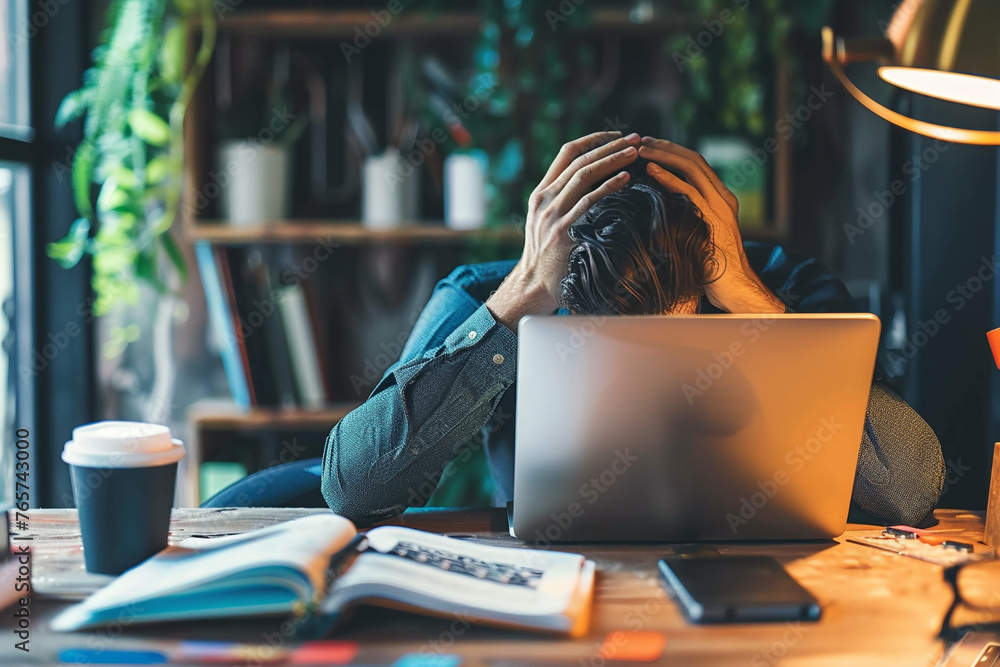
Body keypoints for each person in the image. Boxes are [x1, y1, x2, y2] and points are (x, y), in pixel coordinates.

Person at [321, 131, 945, 527]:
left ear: (705, 277)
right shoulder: (492, 297)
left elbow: (909, 489)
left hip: (751, 576)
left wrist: (759, 308)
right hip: (557, 583)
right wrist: (520, 302)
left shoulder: (789, 290)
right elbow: (355, 483)